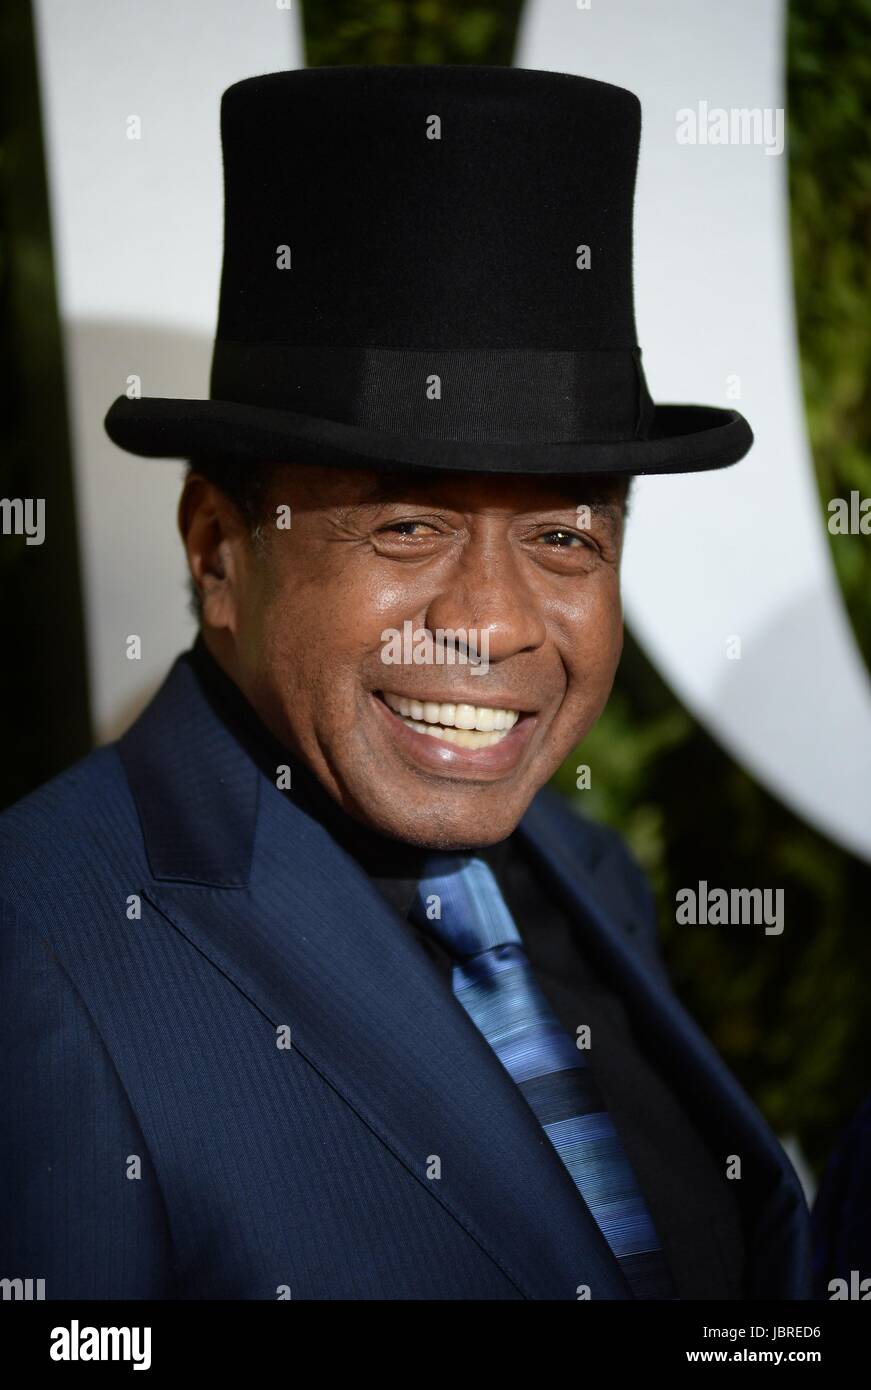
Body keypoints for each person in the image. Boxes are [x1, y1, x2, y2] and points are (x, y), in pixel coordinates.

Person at [0, 65, 810, 1300]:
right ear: (219, 552)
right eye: (406, 527)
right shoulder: (38, 949)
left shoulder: (587, 872)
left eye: (563, 538)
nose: (489, 625)